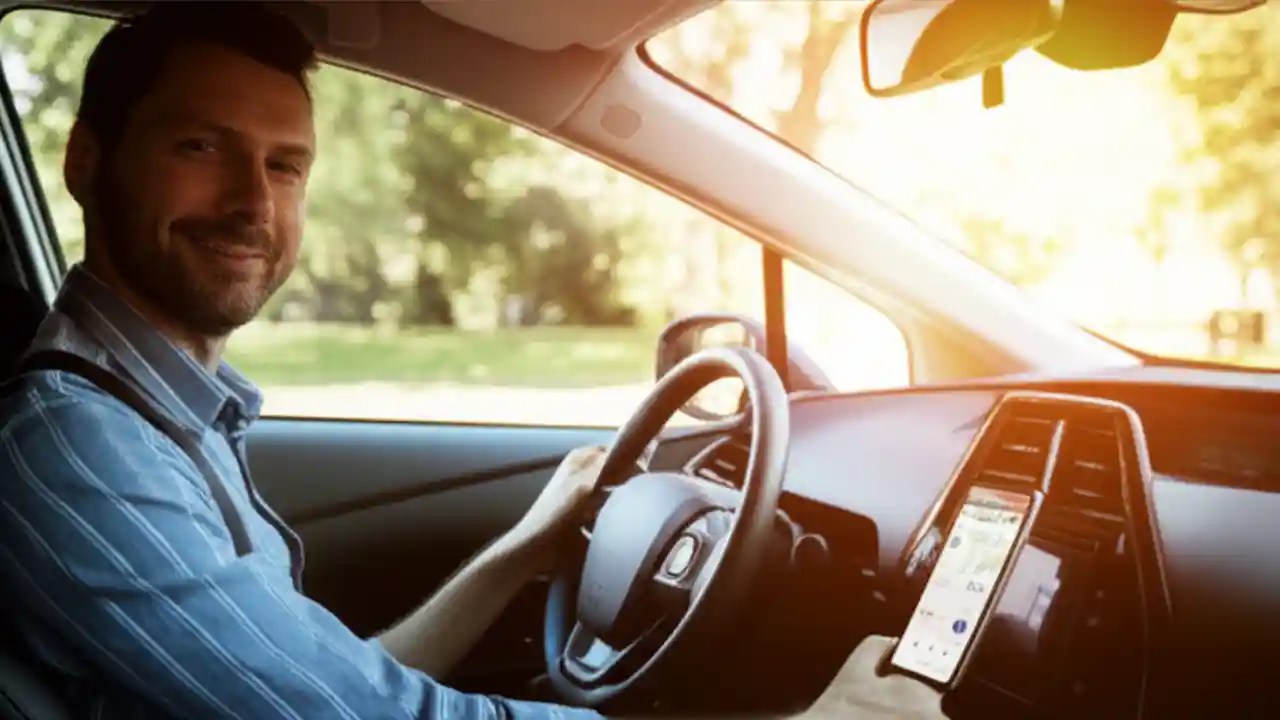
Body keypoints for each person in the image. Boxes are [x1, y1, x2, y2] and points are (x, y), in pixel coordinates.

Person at [0, 3, 945, 718]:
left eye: (285, 165)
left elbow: (338, 682)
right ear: (89, 162)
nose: (254, 201)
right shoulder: (78, 446)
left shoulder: (156, 414)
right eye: (203, 147)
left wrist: (525, 545)